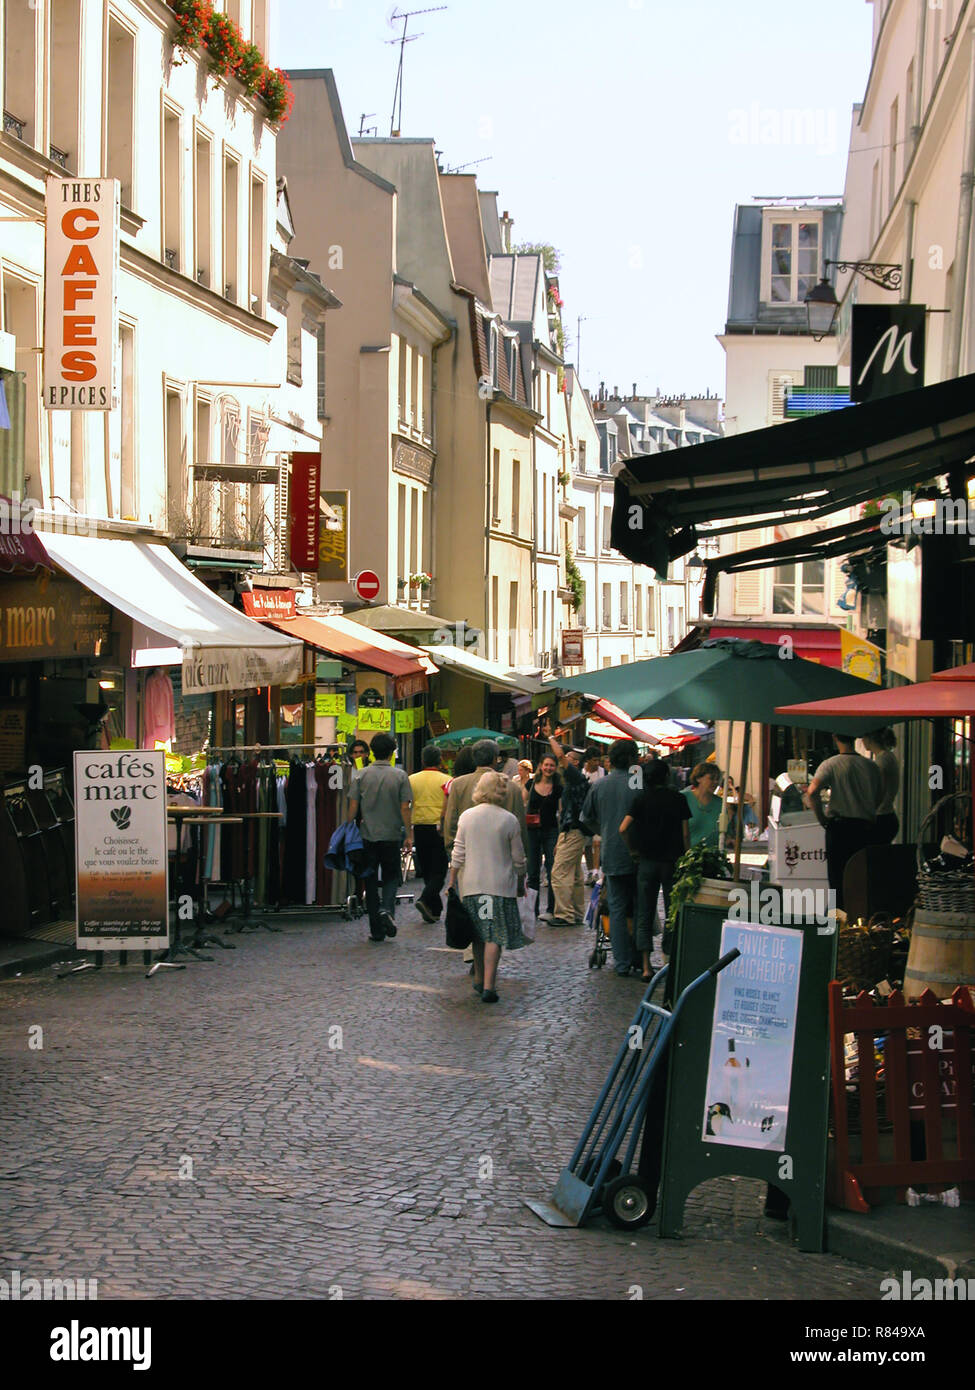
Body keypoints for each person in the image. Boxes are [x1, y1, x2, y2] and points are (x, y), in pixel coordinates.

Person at [448, 770, 528, 1003]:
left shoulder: (467, 817)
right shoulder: (508, 820)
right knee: (494, 935)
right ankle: (489, 985)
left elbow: (458, 852)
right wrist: (521, 881)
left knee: (479, 935)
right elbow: (518, 858)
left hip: (472, 885)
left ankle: (479, 978)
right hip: (499, 886)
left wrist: (452, 880)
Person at [620, 758, 691, 976]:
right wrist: (687, 856)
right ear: (666, 776)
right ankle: (670, 959)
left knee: (645, 911)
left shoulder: (641, 799)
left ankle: (645, 966)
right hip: (672, 861)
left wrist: (633, 851)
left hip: (647, 862)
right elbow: (686, 833)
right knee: (673, 911)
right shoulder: (678, 799)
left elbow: (623, 828)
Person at [581, 739, 641, 976]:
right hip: (638, 852)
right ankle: (637, 956)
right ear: (630, 758)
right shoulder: (637, 783)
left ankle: (622, 962)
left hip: (612, 852)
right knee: (638, 906)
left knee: (616, 908)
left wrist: (603, 829)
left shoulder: (601, 785)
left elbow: (585, 817)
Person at [803, 732, 882, 911]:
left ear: (835, 738)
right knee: (862, 877)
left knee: (837, 878)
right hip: (865, 827)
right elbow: (879, 795)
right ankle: (861, 918)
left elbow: (812, 791)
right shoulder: (870, 766)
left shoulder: (831, 764)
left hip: (839, 827)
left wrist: (822, 818)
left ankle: (840, 921)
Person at [346, 731, 413, 942]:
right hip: (392, 833)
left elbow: (353, 806)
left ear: (371, 752)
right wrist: (408, 834)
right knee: (392, 875)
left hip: (368, 834)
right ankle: (387, 909)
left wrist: (348, 828)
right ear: (392, 751)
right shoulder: (400, 776)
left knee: (370, 879)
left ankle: (376, 929)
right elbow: (405, 808)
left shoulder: (361, 775)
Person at [443, 739, 528, 856]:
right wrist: (521, 857)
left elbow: (451, 822)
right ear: (495, 759)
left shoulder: (458, 785)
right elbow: (520, 826)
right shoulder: (512, 787)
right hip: (502, 856)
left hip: (469, 854)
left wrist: (454, 852)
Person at [547, 734, 591, 926]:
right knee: (574, 874)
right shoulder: (576, 780)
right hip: (572, 830)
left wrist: (549, 735)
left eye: (568, 760)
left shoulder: (576, 777)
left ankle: (564, 914)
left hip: (574, 830)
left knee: (559, 872)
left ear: (574, 763)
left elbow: (560, 755)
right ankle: (577, 912)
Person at [409, 744, 451, 923]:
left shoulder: (412, 779)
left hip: (419, 824)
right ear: (440, 759)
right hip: (439, 826)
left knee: (426, 867)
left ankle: (434, 908)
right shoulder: (448, 780)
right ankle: (426, 899)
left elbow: (407, 803)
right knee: (440, 868)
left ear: (423, 760)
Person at [522, 753, 561, 917]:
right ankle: (533, 909)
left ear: (556, 768)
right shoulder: (531, 784)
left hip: (551, 831)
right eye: (546, 765)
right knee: (532, 871)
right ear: (540, 766)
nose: (548, 768)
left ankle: (551, 909)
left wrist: (561, 837)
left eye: (552, 765)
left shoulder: (559, 787)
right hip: (532, 831)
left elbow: (561, 811)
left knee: (552, 870)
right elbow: (522, 803)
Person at [862, 728, 900, 844]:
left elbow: (879, 789)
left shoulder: (882, 761)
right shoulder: (889, 756)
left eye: (863, 737)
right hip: (888, 815)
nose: (862, 741)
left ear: (870, 739)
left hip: (880, 818)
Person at [682, 763, 724, 847]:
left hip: (712, 855)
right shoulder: (683, 798)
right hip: (685, 855)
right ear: (698, 778)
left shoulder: (720, 804)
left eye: (717, 779)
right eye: (711, 778)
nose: (715, 782)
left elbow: (725, 833)